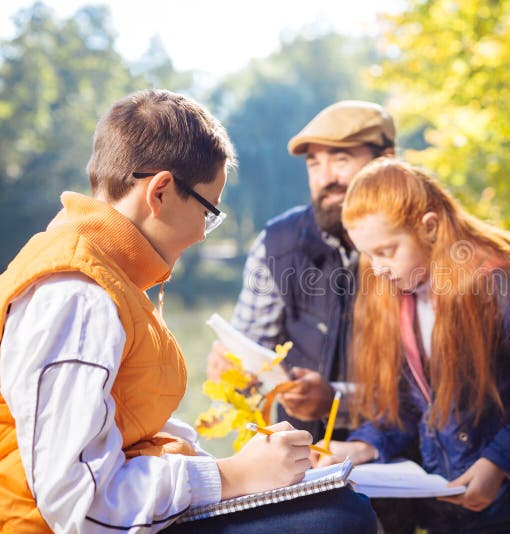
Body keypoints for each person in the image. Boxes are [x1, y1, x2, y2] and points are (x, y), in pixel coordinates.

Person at [0, 89, 376, 532]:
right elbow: (79, 503)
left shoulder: (108, 277)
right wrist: (230, 476)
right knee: (338, 521)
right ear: (160, 192)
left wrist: (245, 471)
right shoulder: (78, 296)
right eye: (208, 210)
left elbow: (127, 428)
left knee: (336, 504)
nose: (203, 234)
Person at [315, 158, 510, 533]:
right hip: (452, 512)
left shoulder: (498, 284)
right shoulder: (399, 297)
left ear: (429, 228)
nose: (377, 267)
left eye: (386, 251)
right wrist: (363, 446)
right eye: (368, 254)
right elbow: (408, 407)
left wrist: (499, 463)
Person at [206, 100, 395, 441]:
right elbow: (253, 354)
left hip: (407, 466)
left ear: (387, 160)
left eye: (341, 159)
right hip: (304, 466)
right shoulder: (277, 244)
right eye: (314, 163)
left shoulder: (420, 248)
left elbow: (436, 388)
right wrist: (237, 377)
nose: (326, 178)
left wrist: (337, 402)